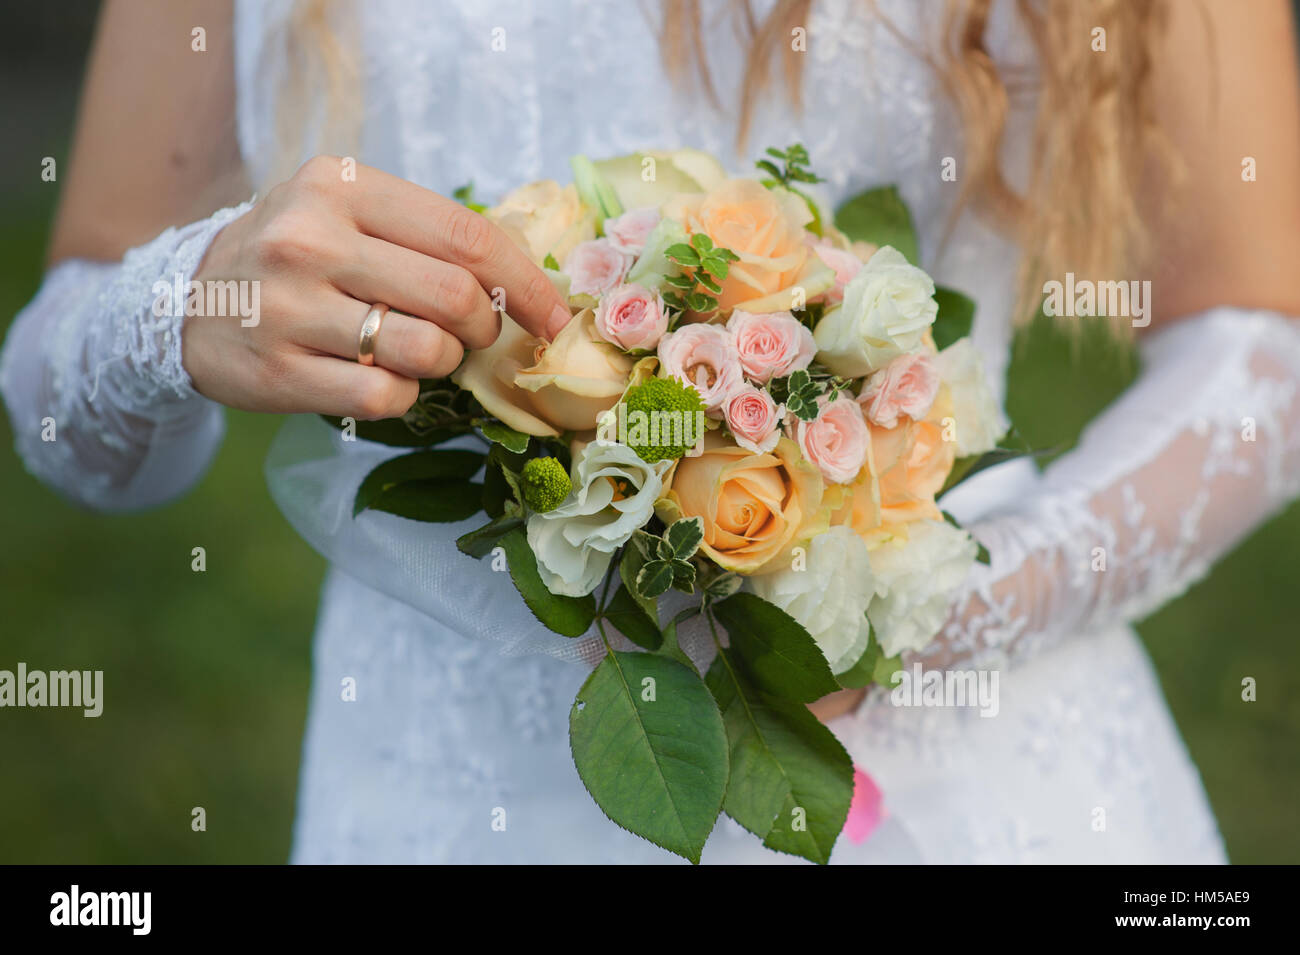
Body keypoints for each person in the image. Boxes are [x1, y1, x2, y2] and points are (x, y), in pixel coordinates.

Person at [3, 0, 1299, 863]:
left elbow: (1259, 347)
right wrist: (172, 311)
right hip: (446, 789)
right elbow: (77, 437)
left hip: (961, 774)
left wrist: (931, 606)